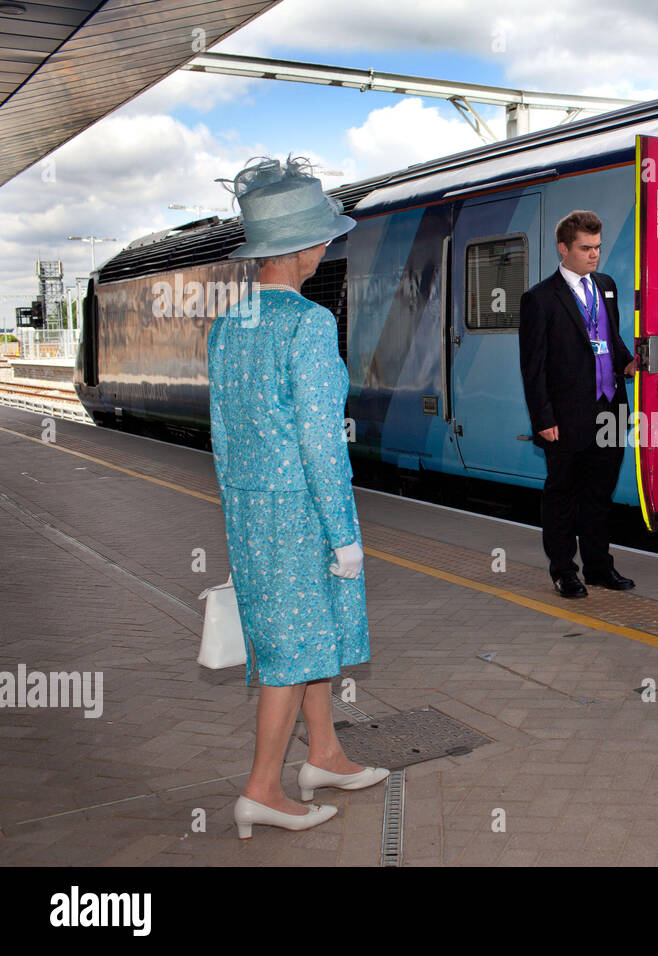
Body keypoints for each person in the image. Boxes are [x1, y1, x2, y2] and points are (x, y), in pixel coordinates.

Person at [208, 156, 388, 838]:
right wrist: (344, 534)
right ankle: (262, 790)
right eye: (322, 239)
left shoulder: (230, 325)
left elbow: (224, 438)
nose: (324, 249)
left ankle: (326, 754)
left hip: (252, 511)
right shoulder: (306, 325)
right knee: (290, 654)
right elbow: (322, 445)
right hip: (302, 514)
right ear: (303, 247)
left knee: (301, 637)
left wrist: (236, 519)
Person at [519, 209, 638, 599]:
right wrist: (543, 418)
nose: (594, 255)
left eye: (597, 247)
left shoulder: (605, 285)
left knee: (599, 494)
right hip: (565, 417)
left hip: (610, 408)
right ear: (563, 248)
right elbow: (532, 367)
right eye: (586, 248)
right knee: (562, 497)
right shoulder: (539, 298)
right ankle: (563, 571)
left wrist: (627, 363)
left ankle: (599, 568)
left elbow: (612, 339)